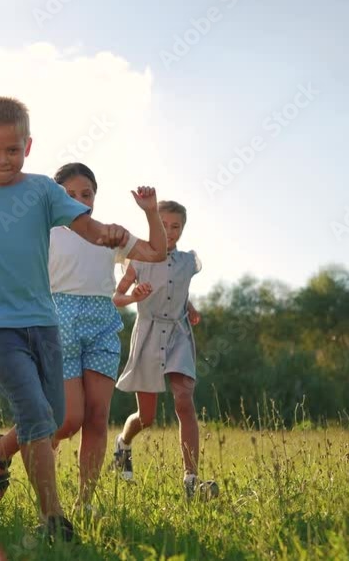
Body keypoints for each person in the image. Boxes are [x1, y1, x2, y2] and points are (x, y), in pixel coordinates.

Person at [0, 96, 134, 542]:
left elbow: (85, 226)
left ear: (28, 147)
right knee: (33, 411)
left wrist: (107, 232)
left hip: (44, 321)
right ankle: (53, 519)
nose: (2, 159)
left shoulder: (42, 191)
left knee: (51, 417)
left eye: (12, 150)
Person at [46, 162, 167, 510]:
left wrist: (151, 212)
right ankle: (31, 454)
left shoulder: (106, 234)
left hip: (101, 323)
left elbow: (156, 252)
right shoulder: (47, 232)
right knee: (69, 419)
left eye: (86, 194)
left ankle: (85, 501)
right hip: (60, 322)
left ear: (95, 197)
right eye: (70, 195)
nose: (80, 201)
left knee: (97, 417)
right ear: (57, 197)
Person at [111, 200, 218, 500]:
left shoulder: (187, 261)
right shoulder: (139, 259)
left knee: (184, 400)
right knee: (147, 417)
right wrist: (133, 295)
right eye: (163, 225)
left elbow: (177, 288)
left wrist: (189, 306)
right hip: (147, 333)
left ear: (183, 229)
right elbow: (116, 296)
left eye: (175, 227)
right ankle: (123, 443)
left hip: (179, 334)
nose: (169, 232)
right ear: (152, 226)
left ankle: (191, 480)